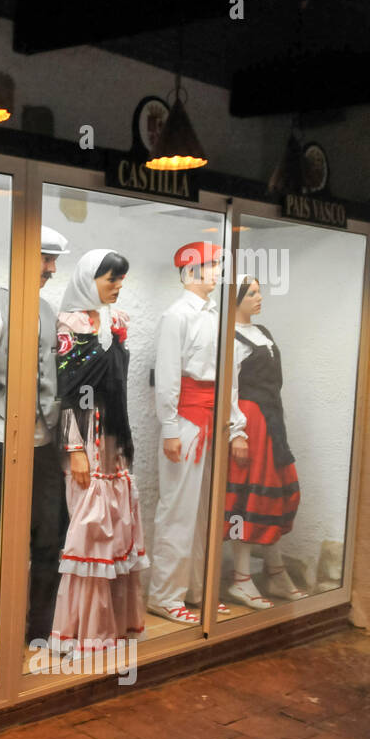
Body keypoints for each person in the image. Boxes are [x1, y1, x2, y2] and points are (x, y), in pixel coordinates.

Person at [0, 225, 70, 655]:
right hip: (4, 440)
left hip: (45, 445)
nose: (51, 268)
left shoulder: (48, 310)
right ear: (20, 255)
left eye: (54, 260)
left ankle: (38, 627)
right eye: (45, 258)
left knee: (49, 537)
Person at [49, 249, 148, 651]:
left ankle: (111, 625)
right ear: (90, 280)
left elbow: (113, 381)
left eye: (121, 280)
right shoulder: (69, 325)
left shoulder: (107, 322)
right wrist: (74, 449)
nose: (118, 287)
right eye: (111, 280)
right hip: (87, 438)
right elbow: (68, 392)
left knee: (116, 524)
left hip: (112, 437)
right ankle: (83, 631)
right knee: (91, 529)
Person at [147, 242, 247, 625]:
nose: (217, 272)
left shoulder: (218, 317)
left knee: (206, 510)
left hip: (213, 419)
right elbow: (169, 375)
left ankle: (198, 590)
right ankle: (164, 595)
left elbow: (229, 378)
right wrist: (170, 427)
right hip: (187, 421)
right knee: (178, 509)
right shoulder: (176, 316)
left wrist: (236, 426)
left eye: (219, 265)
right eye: (210, 266)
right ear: (190, 272)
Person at [224, 277, 306, 606]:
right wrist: (236, 432)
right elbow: (228, 386)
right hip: (249, 422)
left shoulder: (264, 333)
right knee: (246, 499)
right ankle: (241, 579)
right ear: (236, 298)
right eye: (252, 293)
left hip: (271, 421)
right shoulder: (229, 337)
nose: (259, 298)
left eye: (259, 292)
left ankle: (275, 572)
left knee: (276, 498)